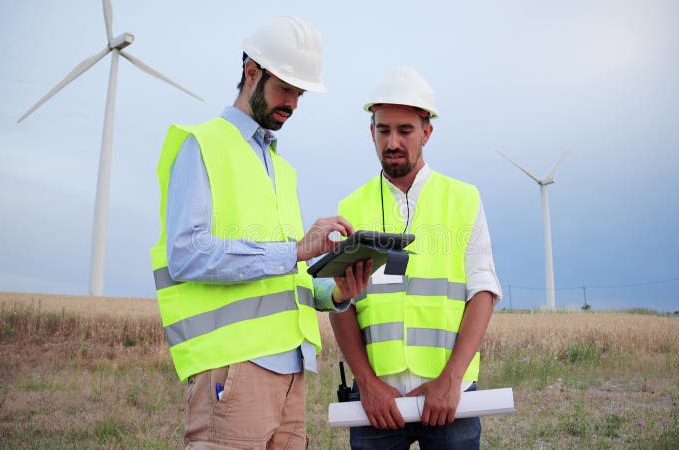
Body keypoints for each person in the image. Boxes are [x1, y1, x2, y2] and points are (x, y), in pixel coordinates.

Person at [149, 16, 371, 449]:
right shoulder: (202, 144)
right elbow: (186, 254)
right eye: (285, 88)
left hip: (292, 372)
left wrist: (338, 291)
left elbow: (289, 275)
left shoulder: (281, 169)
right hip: (234, 370)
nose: (293, 102)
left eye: (300, 93)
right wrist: (294, 249)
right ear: (252, 71)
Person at [328, 66, 502, 450]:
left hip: (449, 398)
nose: (392, 142)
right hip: (377, 403)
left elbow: (483, 293)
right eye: (383, 130)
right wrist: (369, 386)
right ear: (370, 131)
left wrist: (451, 379)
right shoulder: (350, 208)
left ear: (427, 132)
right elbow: (341, 306)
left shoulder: (464, 199)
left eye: (405, 131)